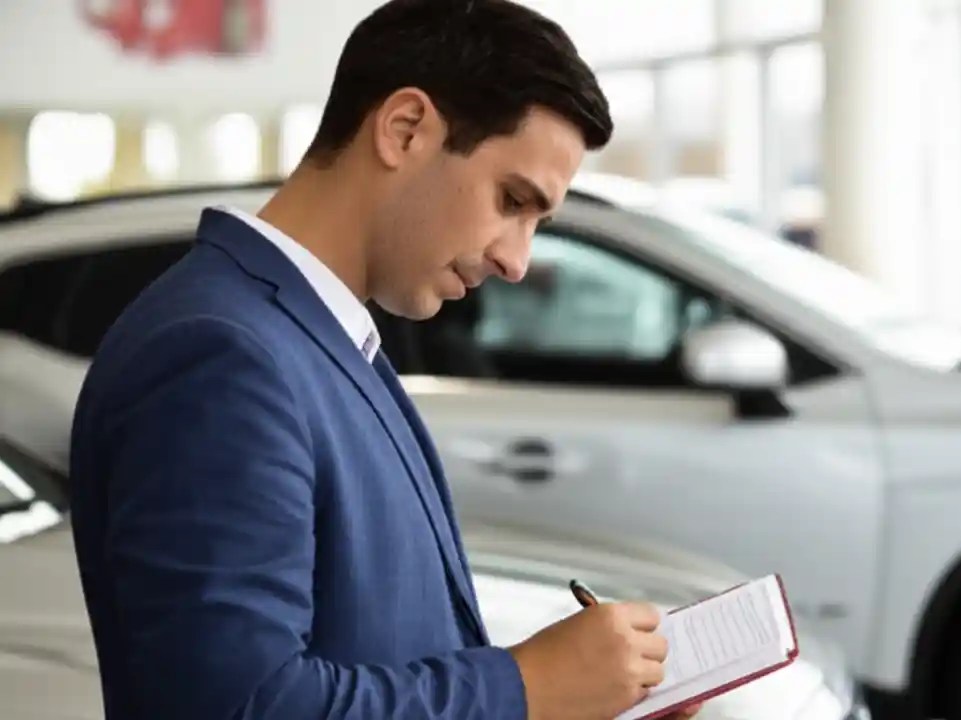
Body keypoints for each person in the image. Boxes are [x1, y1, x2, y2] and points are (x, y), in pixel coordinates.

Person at [67, 1, 700, 718]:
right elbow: (240, 705)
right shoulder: (221, 355)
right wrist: (531, 687)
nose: (517, 260)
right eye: (511, 201)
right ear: (405, 129)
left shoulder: (316, 336)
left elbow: (381, 656)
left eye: (536, 222)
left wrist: (578, 696)